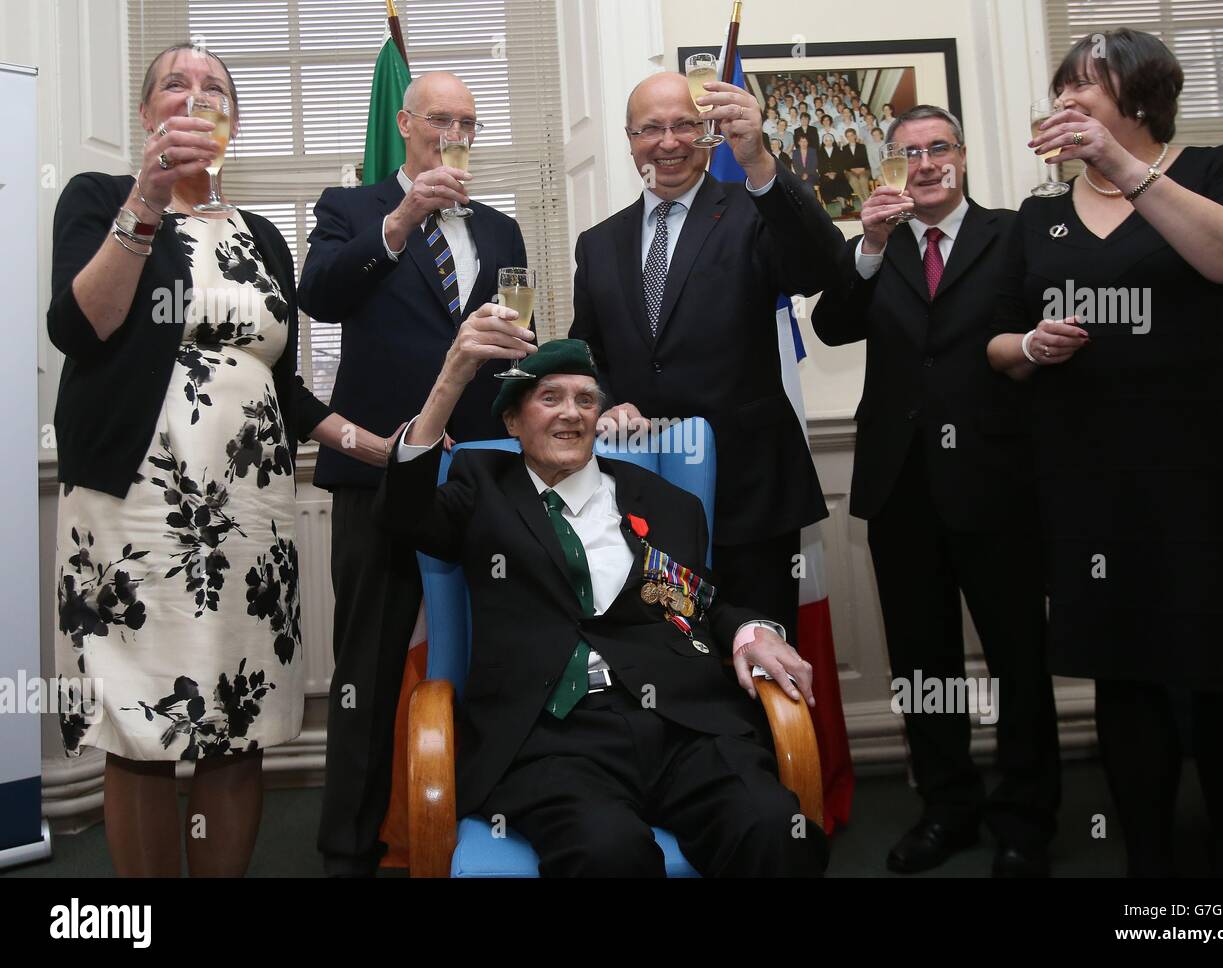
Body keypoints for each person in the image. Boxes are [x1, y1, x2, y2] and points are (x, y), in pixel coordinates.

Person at [48, 43, 354, 876]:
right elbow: (81, 327)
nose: (195, 96)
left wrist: (367, 441)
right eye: (174, 85)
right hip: (132, 508)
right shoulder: (98, 198)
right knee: (140, 727)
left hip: (251, 514)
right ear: (147, 116)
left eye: (214, 87)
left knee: (236, 719)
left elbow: (285, 387)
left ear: (233, 123)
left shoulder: (261, 235)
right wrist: (146, 203)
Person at [375, 324, 830, 877]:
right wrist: (452, 378)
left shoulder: (666, 501)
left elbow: (695, 599)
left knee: (775, 829)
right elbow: (402, 518)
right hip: (551, 738)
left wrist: (750, 630)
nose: (571, 412)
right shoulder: (480, 486)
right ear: (512, 421)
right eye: (549, 398)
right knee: (607, 853)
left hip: (681, 725)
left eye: (585, 399)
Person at [987, 28, 1223, 877]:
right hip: (1087, 482)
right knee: (1124, 680)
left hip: (1202, 476)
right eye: (1063, 86)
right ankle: (1148, 864)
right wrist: (1030, 347)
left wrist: (1122, 166)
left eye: (1092, 83)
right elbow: (995, 345)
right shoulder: (1038, 216)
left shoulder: (1221, 171)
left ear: (1143, 93)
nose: (1070, 98)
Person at [813, 105, 1061, 877]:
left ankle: (1026, 821)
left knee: (1020, 659)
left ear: (962, 155)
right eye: (907, 152)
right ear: (888, 165)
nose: (923, 163)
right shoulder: (877, 245)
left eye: (937, 148)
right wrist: (870, 246)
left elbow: (1040, 332)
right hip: (901, 486)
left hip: (999, 480)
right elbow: (831, 328)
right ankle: (946, 807)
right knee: (925, 664)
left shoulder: (1014, 234)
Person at [298, 70, 529, 877]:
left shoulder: (501, 230)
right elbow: (319, 297)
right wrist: (403, 217)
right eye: (440, 118)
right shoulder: (351, 209)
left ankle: (482, 828)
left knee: (498, 654)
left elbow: (514, 347)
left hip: (485, 477)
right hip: (378, 474)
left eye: (468, 120)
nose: (455, 132)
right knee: (367, 666)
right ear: (405, 124)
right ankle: (349, 851)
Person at [567, 71, 843, 648]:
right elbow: (588, 352)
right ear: (629, 139)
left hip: (751, 492)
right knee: (673, 665)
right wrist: (608, 403)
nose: (668, 142)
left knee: (762, 663)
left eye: (685, 125)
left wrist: (761, 161)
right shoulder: (598, 243)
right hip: (642, 498)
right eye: (651, 129)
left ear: (709, 132)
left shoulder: (753, 207)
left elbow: (820, 269)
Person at [817, 132, 851, 209]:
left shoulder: (839, 151)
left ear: (833, 141)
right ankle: (844, 206)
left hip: (838, 174)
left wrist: (835, 173)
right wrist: (828, 173)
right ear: (823, 142)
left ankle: (843, 206)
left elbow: (842, 165)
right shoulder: (819, 153)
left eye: (830, 140)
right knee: (826, 184)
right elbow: (819, 166)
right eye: (826, 140)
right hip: (825, 175)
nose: (828, 142)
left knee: (840, 183)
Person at [841, 128, 871, 208]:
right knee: (853, 180)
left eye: (851, 135)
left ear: (855, 136)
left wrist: (863, 168)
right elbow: (844, 163)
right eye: (848, 136)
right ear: (846, 138)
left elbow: (867, 159)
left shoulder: (862, 146)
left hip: (864, 169)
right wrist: (852, 169)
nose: (850, 137)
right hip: (850, 171)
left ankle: (868, 201)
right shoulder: (844, 148)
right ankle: (862, 200)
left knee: (863, 179)